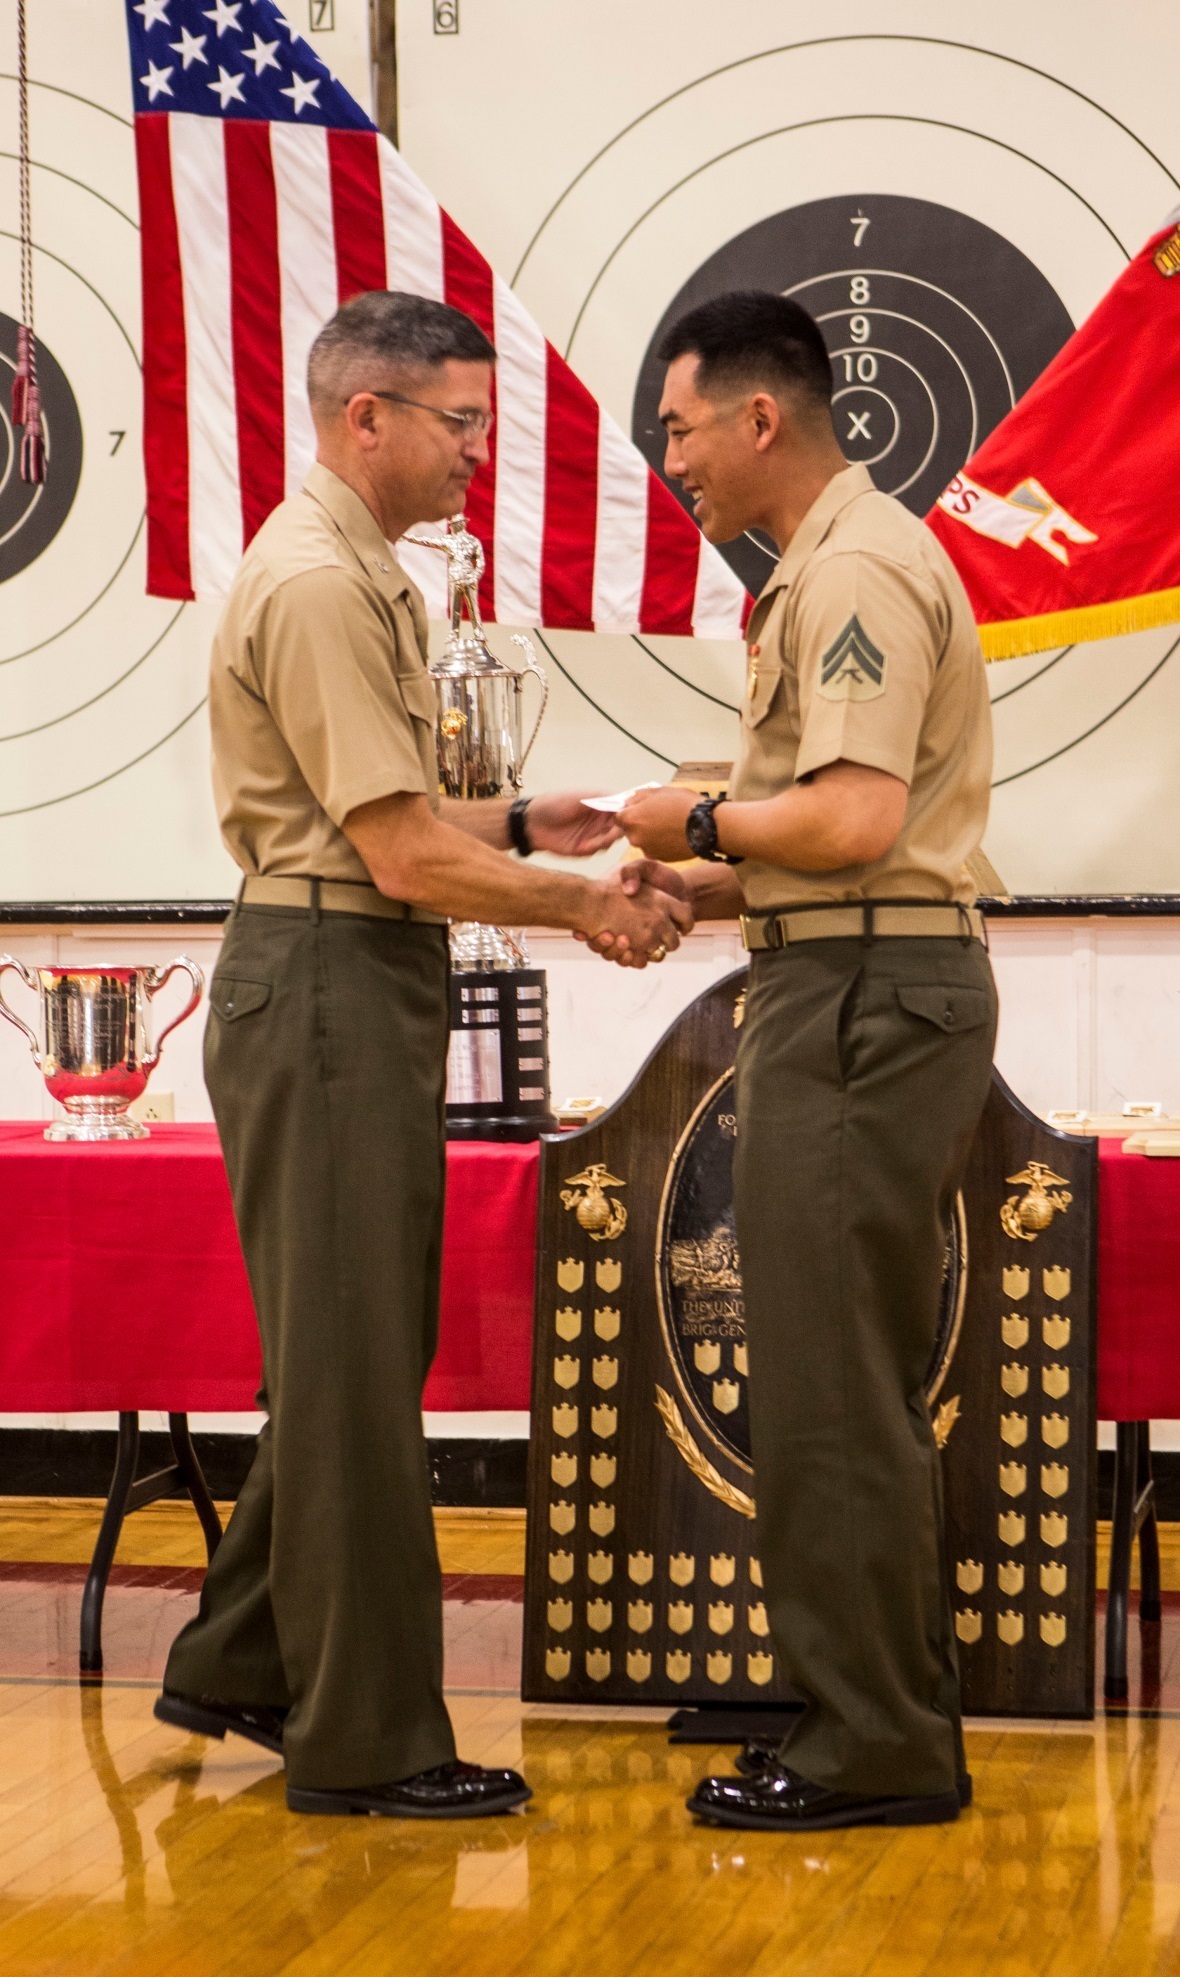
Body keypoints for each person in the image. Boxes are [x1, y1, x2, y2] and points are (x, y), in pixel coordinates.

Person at [154, 290, 690, 1820]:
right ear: (363, 416)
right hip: (327, 974)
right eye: (459, 421)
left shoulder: (359, 572)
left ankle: (243, 1654)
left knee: (353, 1354)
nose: (479, 448)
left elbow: (388, 812)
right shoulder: (323, 585)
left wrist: (530, 822)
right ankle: (368, 1738)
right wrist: (584, 902)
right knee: (349, 1378)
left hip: (349, 974)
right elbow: (392, 853)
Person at [602, 291, 997, 1833]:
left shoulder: (856, 571)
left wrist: (685, 821)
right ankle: (876, 1710)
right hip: (844, 984)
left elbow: (848, 826)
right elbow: (816, 844)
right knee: (838, 1379)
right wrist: (668, 880)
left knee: (832, 1391)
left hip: (862, 1004)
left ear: (763, 418)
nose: (673, 458)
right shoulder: (834, 563)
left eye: (683, 427)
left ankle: (874, 1741)